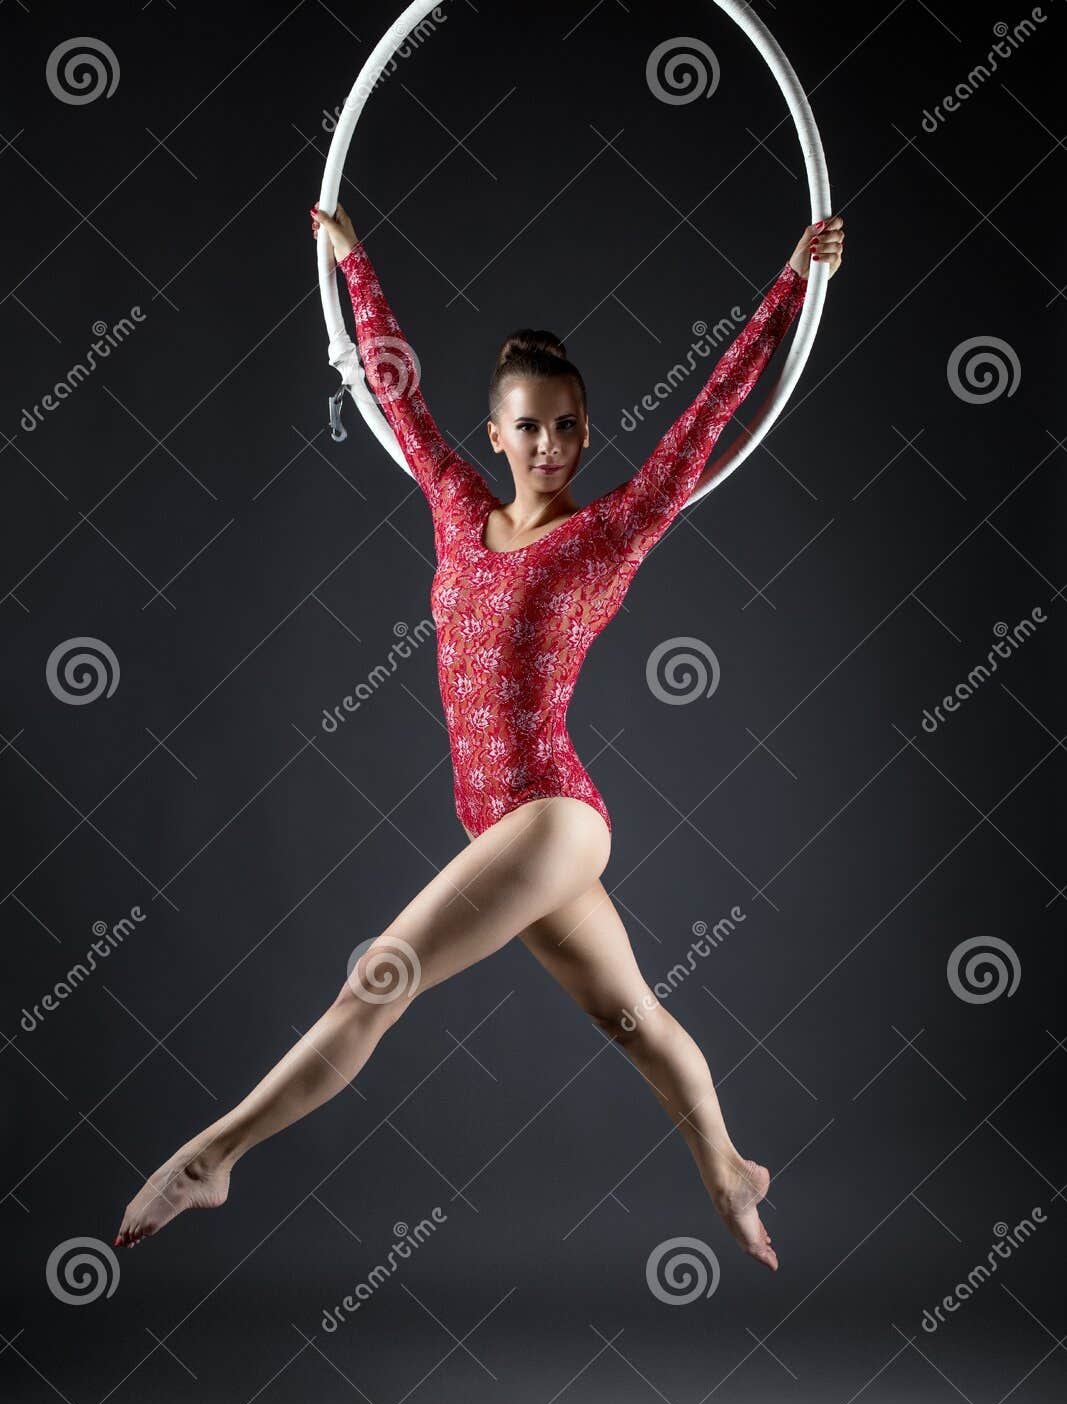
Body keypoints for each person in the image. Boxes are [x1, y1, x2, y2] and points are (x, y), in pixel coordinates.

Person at [113, 203, 845, 1269]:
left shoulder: (607, 537)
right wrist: (353, 262)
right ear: (495, 433)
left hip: (554, 813)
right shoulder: (455, 506)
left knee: (379, 976)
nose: (547, 445)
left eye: (565, 426)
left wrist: (788, 281)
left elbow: (704, 419)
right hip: (495, 823)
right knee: (631, 1018)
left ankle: (212, 1155)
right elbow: (391, 390)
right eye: (527, 426)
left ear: (585, 433)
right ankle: (729, 1166)